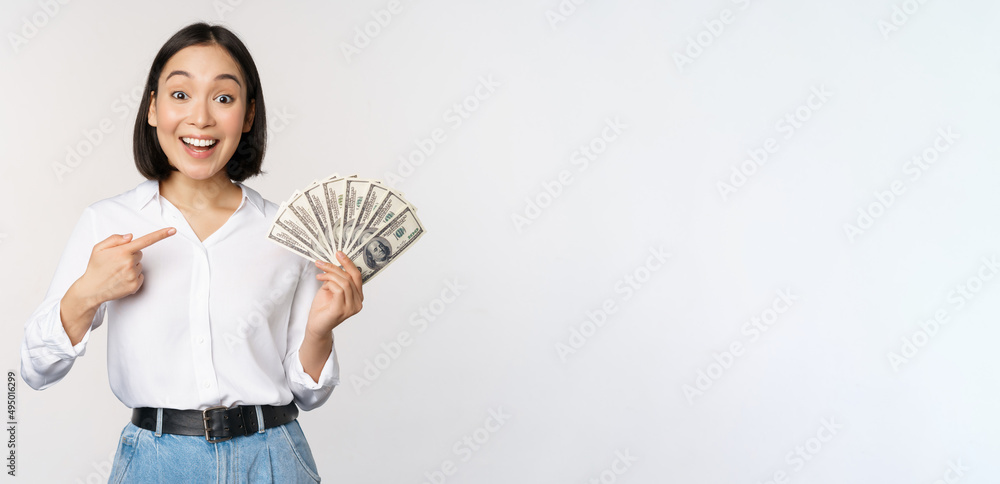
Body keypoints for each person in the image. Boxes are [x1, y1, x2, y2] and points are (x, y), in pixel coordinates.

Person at [19, 22, 363, 483]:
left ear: (248, 115)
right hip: (156, 464)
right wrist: (86, 294)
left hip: (273, 460)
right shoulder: (107, 222)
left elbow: (311, 394)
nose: (200, 118)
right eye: (180, 94)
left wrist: (320, 330)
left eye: (223, 98)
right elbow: (36, 369)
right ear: (153, 108)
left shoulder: (285, 232)